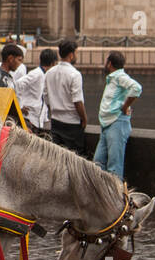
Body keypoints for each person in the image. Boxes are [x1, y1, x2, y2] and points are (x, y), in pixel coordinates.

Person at [92, 50, 141, 179]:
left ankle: (115, 197)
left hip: (116, 124)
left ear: (109, 64)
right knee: (97, 164)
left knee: (114, 166)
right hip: (106, 125)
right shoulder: (113, 79)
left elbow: (136, 88)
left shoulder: (119, 77)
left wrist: (125, 106)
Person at [45, 40, 88, 154]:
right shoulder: (75, 74)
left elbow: (45, 96)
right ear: (71, 55)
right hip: (72, 124)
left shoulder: (49, 73)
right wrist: (84, 119)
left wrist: (53, 110)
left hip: (55, 121)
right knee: (74, 160)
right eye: (76, 53)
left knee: (57, 158)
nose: (76, 56)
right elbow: (77, 101)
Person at [15, 48, 57, 134]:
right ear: (52, 63)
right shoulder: (36, 73)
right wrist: (20, 105)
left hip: (36, 119)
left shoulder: (44, 75)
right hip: (29, 117)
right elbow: (18, 84)